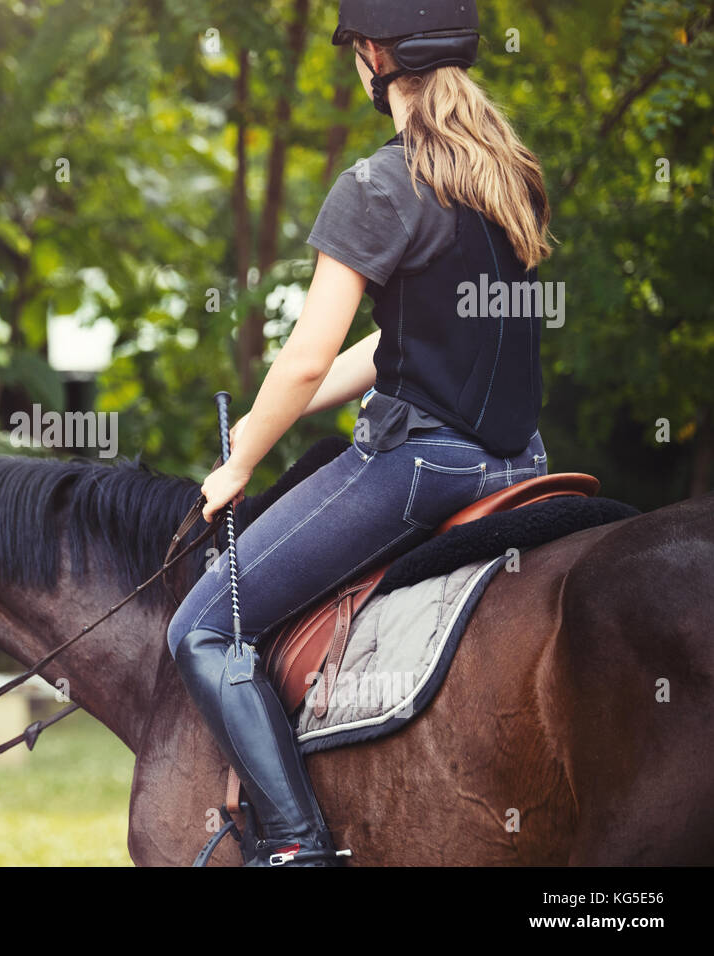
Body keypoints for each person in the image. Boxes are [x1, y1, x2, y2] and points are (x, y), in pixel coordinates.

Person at [166, 0, 553, 866]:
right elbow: (399, 341)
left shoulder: (380, 183)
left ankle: (296, 846)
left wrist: (241, 463)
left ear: (373, 57)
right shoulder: (508, 173)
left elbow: (306, 356)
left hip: (424, 468)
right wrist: (286, 409)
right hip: (522, 464)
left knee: (201, 630)